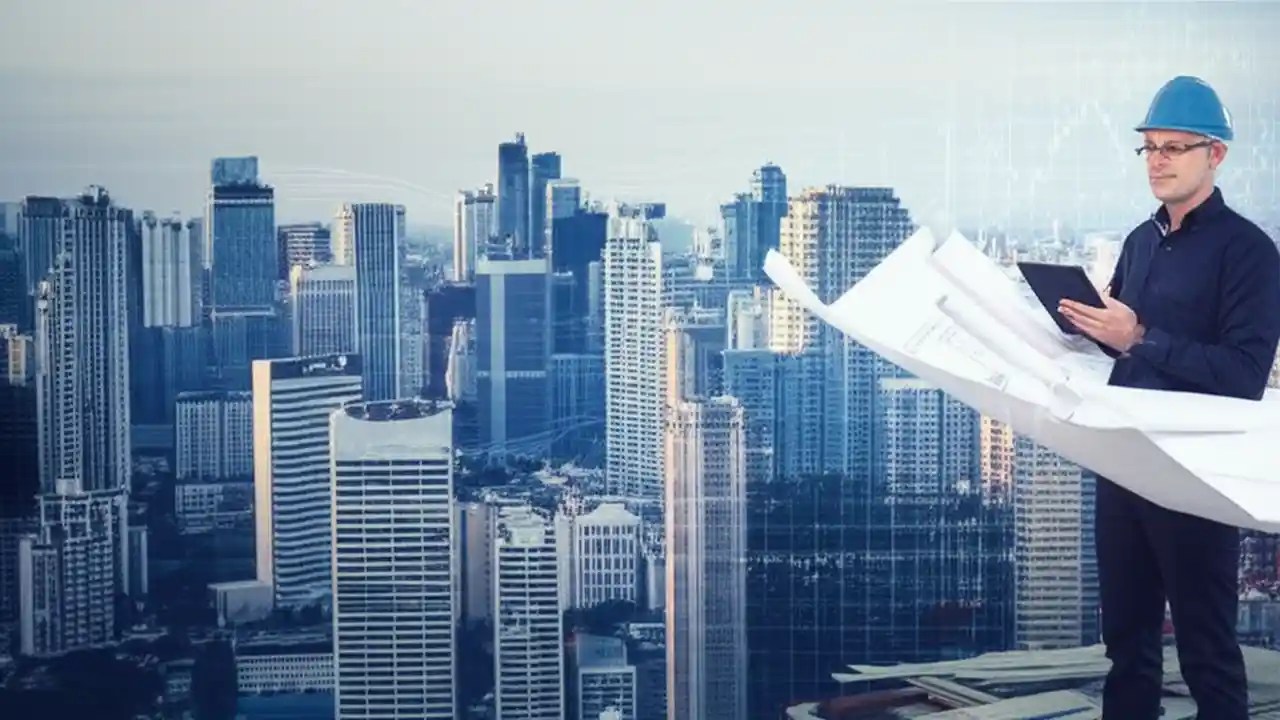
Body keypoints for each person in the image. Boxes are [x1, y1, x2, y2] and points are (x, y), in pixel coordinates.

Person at [1058, 75, 1280, 719]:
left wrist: (1141, 336)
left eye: (1174, 147)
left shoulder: (1249, 252)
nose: (1157, 160)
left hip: (1193, 476)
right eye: (1150, 147)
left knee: (1206, 650)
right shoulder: (1139, 241)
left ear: (1216, 154)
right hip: (1125, 464)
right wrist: (1089, 329)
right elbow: (1125, 347)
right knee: (1126, 646)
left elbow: (1243, 375)